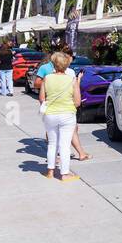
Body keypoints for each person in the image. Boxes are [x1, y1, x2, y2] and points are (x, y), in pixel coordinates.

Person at [34, 45, 91, 160]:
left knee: (56, 132)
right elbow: (36, 84)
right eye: (70, 57)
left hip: (53, 107)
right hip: (62, 107)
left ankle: (57, 157)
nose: (71, 60)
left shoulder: (65, 72)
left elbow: (41, 97)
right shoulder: (49, 69)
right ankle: (72, 155)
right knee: (68, 131)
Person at [40, 50, 82, 181]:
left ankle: (50, 172)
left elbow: (42, 99)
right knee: (64, 145)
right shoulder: (71, 80)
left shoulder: (47, 78)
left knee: (52, 143)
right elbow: (77, 102)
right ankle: (64, 173)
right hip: (67, 114)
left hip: (50, 114)